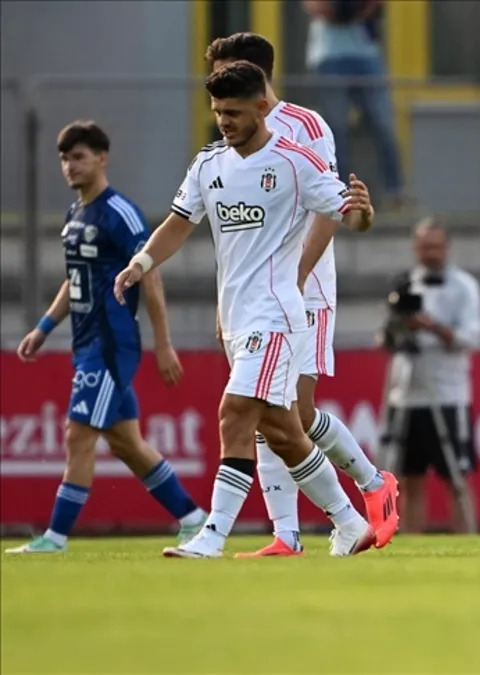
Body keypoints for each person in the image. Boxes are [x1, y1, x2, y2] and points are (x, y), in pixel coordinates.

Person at [114, 61, 378, 558]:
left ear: (262, 107)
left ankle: (213, 534)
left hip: (276, 314)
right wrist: (141, 261)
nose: (224, 122)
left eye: (233, 112)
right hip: (235, 316)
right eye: (217, 112)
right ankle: (350, 523)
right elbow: (177, 222)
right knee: (281, 430)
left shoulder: (295, 162)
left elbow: (350, 215)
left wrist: (363, 210)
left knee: (234, 413)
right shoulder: (209, 164)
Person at [204, 32, 400, 558]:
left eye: (235, 72)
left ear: (261, 75)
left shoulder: (305, 125)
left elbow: (328, 206)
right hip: (254, 297)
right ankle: (287, 534)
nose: (226, 88)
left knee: (294, 411)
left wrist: (295, 276)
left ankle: (370, 482)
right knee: (271, 414)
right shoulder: (224, 142)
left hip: (303, 286)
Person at [6, 121, 207, 554]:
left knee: (77, 434)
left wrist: (164, 343)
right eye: (64, 158)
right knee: (127, 443)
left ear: (102, 158)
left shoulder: (120, 213)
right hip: (85, 342)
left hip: (111, 343)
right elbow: (75, 280)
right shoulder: (75, 215)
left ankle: (55, 539)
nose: (69, 166)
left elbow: (150, 277)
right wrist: (43, 327)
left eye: (78, 157)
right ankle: (194, 518)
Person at [379, 218, 480, 534]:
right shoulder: (405, 284)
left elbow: (470, 338)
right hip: (407, 392)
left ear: (447, 247)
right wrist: (394, 331)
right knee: (409, 479)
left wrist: (431, 327)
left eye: (436, 247)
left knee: (457, 476)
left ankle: (468, 539)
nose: (430, 254)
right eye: (424, 247)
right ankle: (412, 541)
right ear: (415, 248)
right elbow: (388, 338)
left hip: (448, 392)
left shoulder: (463, 286)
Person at [302, 0, 404, 204]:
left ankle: (395, 190)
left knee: (383, 124)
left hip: (367, 54)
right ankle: (340, 194)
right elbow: (317, 7)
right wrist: (344, 11)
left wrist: (359, 9)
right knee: (336, 127)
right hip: (329, 55)